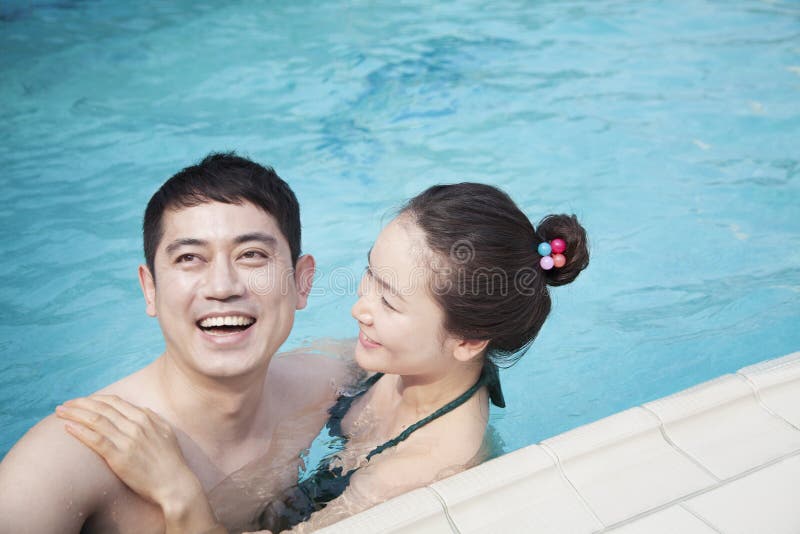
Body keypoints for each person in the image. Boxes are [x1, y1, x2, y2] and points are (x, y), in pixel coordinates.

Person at [56, 182, 590, 533]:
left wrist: (176, 490)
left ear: (468, 340)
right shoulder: (406, 363)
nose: (360, 308)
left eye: (389, 301)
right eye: (370, 274)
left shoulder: (416, 472)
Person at [0, 153, 352, 533]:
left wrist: (181, 498)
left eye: (251, 255)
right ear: (149, 289)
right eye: (189, 258)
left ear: (301, 282)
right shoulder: (69, 459)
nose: (222, 287)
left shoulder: (331, 383)